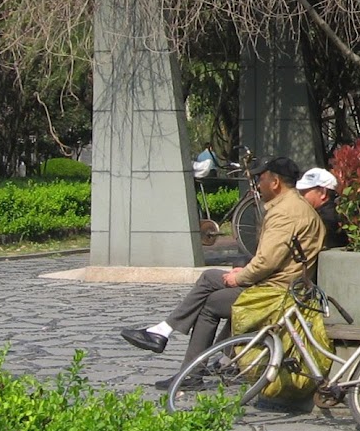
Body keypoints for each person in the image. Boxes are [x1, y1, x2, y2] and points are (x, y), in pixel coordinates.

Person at [120, 156, 325, 387]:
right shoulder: (296, 206)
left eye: (261, 178)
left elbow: (267, 262)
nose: (258, 184)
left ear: (275, 182)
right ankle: (164, 335)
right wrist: (244, 271)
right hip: (281, 284)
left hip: (276, 294)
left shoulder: (285, 212)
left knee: (211, 302)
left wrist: (239, 277)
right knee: (209, 279)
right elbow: (277, 259)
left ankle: (181, 359)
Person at [296, 166, 349, 249]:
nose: (300, 196)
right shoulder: (333, 214)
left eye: (304, 192)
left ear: (322, 192)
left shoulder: (327, 220)